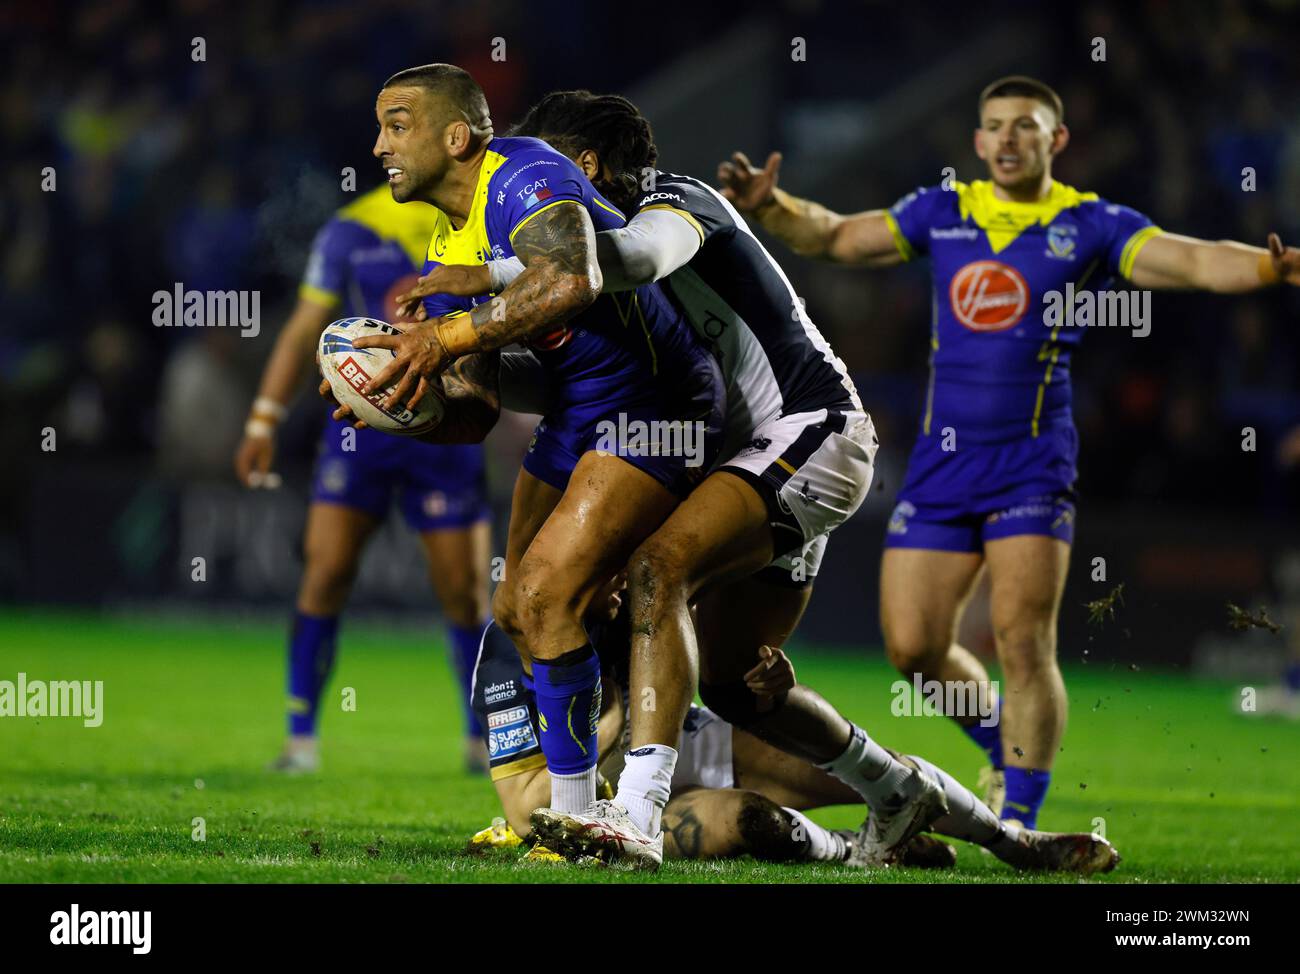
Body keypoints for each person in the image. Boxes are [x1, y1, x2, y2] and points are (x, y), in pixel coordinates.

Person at [716, 75, 1300, 827]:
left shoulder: (1089, 224)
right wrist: (774, 209)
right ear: (979, 142)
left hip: (1032, 461)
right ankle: (1002, 744)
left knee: (1025, 639)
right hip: (942, 466)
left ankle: (1019, 812)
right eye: (995, 126)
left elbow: (1186, 261)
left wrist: (1264, 266)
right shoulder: (945, 212)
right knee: (915, 648)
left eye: (1025, 126)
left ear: (1056, 141)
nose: (1008, 139)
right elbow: (834, 235)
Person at [399, 90, 945, 871]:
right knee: (734, 683)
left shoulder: (675, 201)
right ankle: (897, 791)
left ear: (582, 167)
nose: (524, 191)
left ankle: (636, 814)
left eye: (545, 169)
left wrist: (489, 273)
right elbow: (553, 378)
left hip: (810, 427)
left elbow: (633, 260)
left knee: (656, 572)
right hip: (736, 454)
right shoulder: (586, 282)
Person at [338, 64, 726, 839]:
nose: (379, 144)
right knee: (518, 608)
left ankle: (576, 820)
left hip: (654, 404)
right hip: (579, 412)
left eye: (397, 122)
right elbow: (474, 414)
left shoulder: (526, 172)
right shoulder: (449, 248)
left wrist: (438, 338)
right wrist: (395, 405)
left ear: (457, 136)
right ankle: (604, 777)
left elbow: (570, 280)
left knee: (548, 597)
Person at [471, 610, 1119, 875]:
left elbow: (721, 663)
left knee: (882, 775)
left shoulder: (648, 587)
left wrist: (769, 678)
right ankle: (856, 850)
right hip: (610, 806)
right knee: (750, 822)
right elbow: (528, 812)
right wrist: (610, 718)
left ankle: (1014, 843)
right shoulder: (511, 642)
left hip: (690, 744)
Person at [234, 184, 490, 772]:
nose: (390, 150)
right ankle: (300, 740)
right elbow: (305, 328)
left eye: (399, 132)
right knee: (324, 573)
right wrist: (262, 420)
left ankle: (480, 740)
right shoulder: (350, 228)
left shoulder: (475, 216)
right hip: (360, 429)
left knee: (465, 593)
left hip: (445, 428)